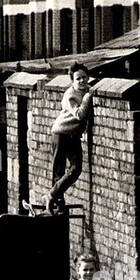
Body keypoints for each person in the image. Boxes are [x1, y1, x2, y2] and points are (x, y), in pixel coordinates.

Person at [48, 62, 92, 214]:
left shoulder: (87, 90)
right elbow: (79, 115)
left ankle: (53, 195)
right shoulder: (70, 95)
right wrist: (87, 98)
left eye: (84, 77)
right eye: (78, 78)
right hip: (61, 133)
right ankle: (57, 204)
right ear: (72, 81)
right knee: (58, 170)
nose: (82, 81)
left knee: (76, 169)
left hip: (73, 136)